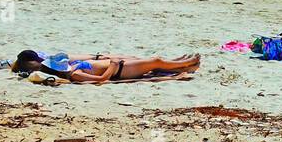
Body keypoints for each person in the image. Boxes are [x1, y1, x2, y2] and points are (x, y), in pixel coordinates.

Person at [11, 50, 200, 83]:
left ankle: (177, 64)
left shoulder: (69, 66)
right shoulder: (74, 75)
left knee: (153, 62)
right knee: (155, 61)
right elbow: (102, 80)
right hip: (120, 71)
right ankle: (185, 63)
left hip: (118, 65)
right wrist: (112, 65)